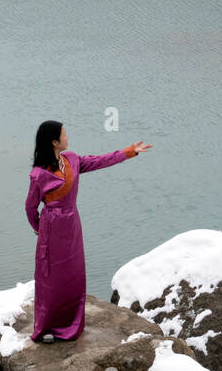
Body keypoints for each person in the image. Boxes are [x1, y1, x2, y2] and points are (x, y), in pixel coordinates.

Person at [24, 120, 152, 342]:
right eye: (64, 133)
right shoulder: (39, 174)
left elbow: (99, 161)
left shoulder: (71, 159)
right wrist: (39, 229)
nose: (67, 136)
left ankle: (70, 324)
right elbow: (29, 206)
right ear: (54, 141)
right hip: (52, 230)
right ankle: (47, 327)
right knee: (51, 278)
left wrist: (130, 152)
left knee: (72, 275)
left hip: (72, 226)